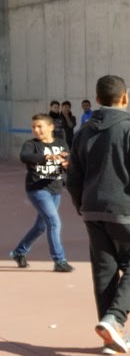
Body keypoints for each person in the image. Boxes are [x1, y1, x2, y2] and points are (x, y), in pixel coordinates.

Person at [66, 75, 130, 354]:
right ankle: (115, 319)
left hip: (92, 210)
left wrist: (82, 205)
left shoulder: (82, 133)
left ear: (96, 100)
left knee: (104, 270)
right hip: (125, 210)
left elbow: (73, 177)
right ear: (125, 98)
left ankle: (110, 333)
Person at [9, 114, 73, 272]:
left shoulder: (60, 143)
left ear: (51, 127)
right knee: (54, 222)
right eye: (33, 127)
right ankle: (59, 261)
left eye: (39, 126)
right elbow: (25, 156)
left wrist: (67, 163)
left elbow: (67, 162)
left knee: (41, 226)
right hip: (37, 189)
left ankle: (19, 252)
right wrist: (47, 157)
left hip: (55, 189)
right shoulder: (31, 145)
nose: (36, 130)